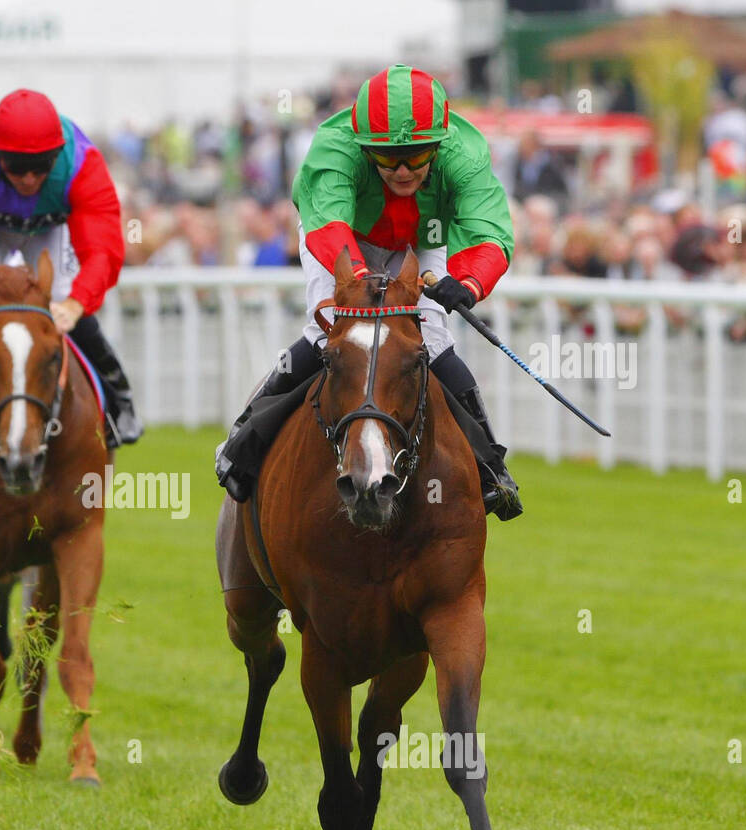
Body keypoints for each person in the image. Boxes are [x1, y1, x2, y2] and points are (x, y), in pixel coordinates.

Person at [215, 65, 522, 520]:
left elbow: (489, 233)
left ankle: (491, 468)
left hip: (420, 236)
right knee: (332, 334)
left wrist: (470, 282)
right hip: (338, 233)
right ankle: (245, 439)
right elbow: (330, 227)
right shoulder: (335, 150)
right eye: (386, 157)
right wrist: (359, 284)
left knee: (432, 340)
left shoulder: (465, 154)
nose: (401, 170)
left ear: (438, 144)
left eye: (417, 157)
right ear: (364, 146)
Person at [0, 88, 141, 448]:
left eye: (41, 167)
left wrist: (76, 304)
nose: (30, 179)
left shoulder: (82, 162)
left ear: (57, 154)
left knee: (63, 305)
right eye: (16, 167)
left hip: (48, 230)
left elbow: (103, 251)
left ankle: (119, 398)